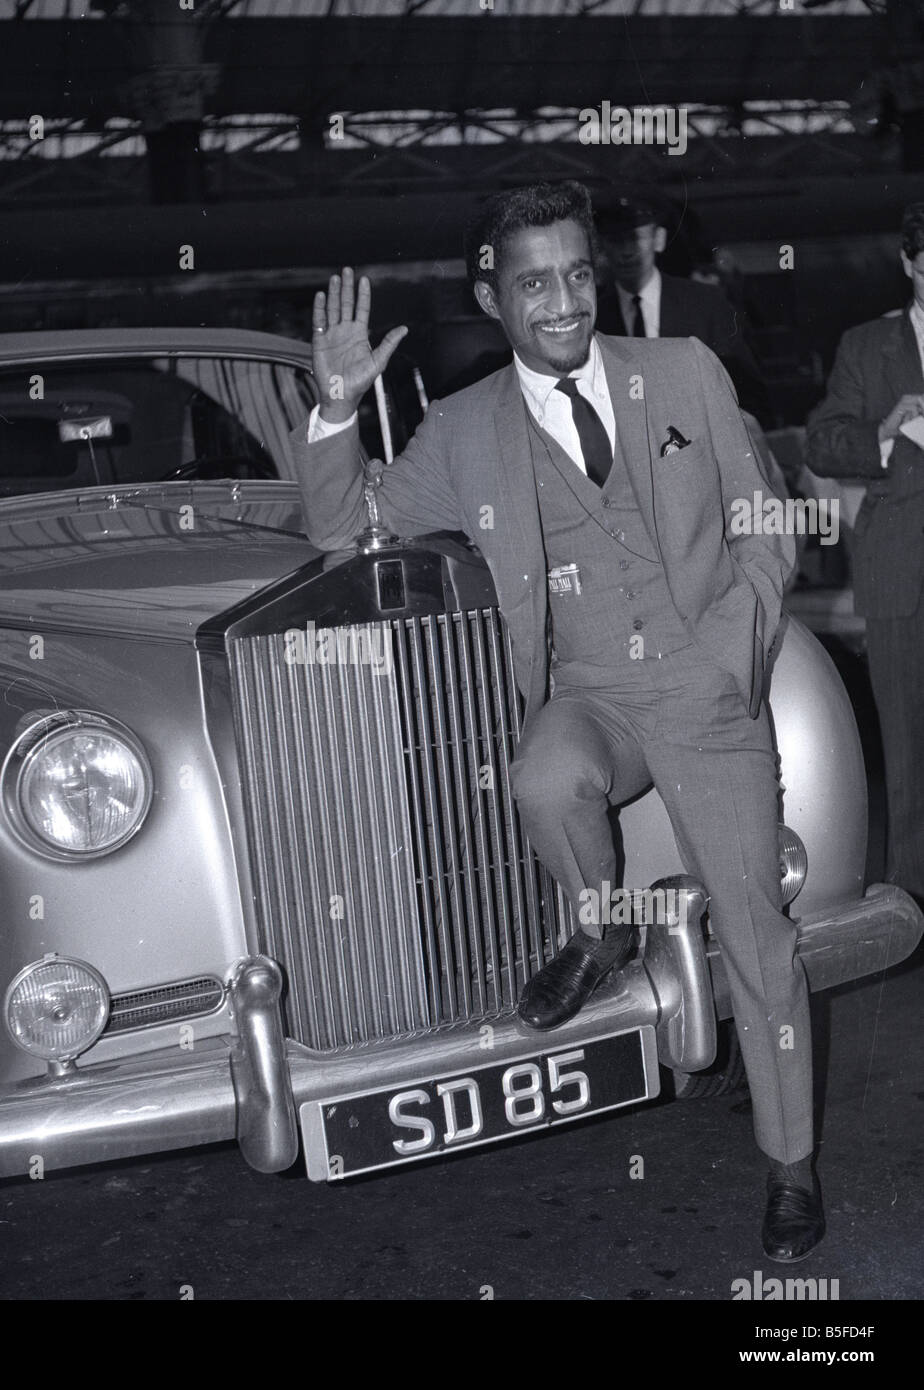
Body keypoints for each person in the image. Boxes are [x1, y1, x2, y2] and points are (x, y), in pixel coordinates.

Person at [292, 181, 822, 1263]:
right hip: (585, 690)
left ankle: (790, 1162)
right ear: (491, 295)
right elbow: (348, 533)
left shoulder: (680, 371)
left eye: (577, 273)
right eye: (533, 281)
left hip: (701, 687)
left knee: (758, 936)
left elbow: (762, 513)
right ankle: (602, 926)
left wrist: (738, 643)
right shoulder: (463, 428)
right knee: (540, 778)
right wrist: (336, 409)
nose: (564, 301)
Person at [805, 202, 924, 908]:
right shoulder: (865, 345)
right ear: (910, 263)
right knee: (906, 750)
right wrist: (881, 434)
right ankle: (910, 905)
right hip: (899, 568)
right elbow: (821, 442)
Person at [595, 193, 771, 426]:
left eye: (635, 238)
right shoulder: (594, 315)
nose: (627, 251)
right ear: (603, 246)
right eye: (616, 241)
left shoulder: (705, 304)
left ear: (659, 239)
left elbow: (747, 389)